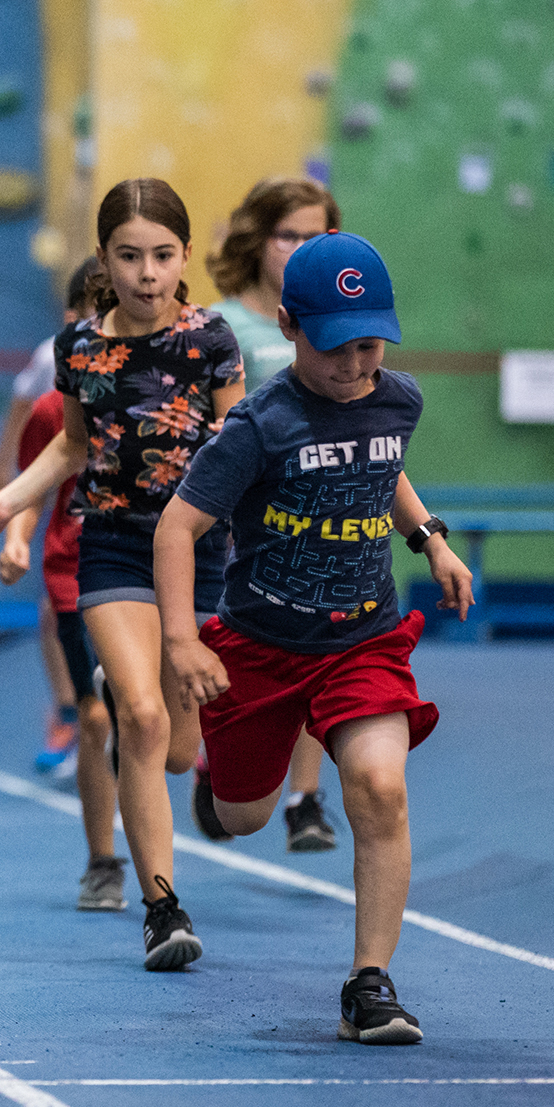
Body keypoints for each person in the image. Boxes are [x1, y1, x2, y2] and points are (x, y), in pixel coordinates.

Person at [157, 231, 471, 1043]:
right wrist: (184, 643)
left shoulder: (397, 398)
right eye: (336, 348)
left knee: (380, 787)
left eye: (369, 346)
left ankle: (369, 985)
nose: (354, 366)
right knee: (242, 818)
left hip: (363, 638)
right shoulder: (259, 426)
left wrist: (431, 538)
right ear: (293, 326)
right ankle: (219, 780)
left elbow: (384, 464)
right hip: (260, 647)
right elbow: (176, 527)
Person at [0, 178, 242, 972]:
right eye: (128, 256)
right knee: (138, 719)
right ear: (105, 261)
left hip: (197, 557)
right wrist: (5, 502)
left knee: (181, 750)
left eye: (162, 255)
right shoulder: (79, 350)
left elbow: (239, 450)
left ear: (184, 258)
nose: (147, 273)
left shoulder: (212, 343)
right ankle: (162, 908)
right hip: (109, 547)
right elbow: (71, 447)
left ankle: (195, 779)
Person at [206, 176, 342, 853]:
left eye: (317, 237)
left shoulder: (337, 324)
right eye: (288, 236)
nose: (300, 250)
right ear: (259, 242)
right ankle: (225, 756)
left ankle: (306, 797)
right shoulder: (224, 324)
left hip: (321, 515)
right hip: (243, 521)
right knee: (251, 658)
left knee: (325, 641)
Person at [0, 258, 123, 910]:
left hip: (151, 579)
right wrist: (17, 537)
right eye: (87, 317)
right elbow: (31, 480)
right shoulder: (52, 402)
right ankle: (104, 860)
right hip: (77, 577)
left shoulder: (163, 397)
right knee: (99, 717)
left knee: (163, 735)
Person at [0, 260, 100, 778]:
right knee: (54, 614)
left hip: (140, 553)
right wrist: (7, 500)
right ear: (71, 318)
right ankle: (68, 708)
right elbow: (26, 430)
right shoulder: (49, 370)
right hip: (71, 538)